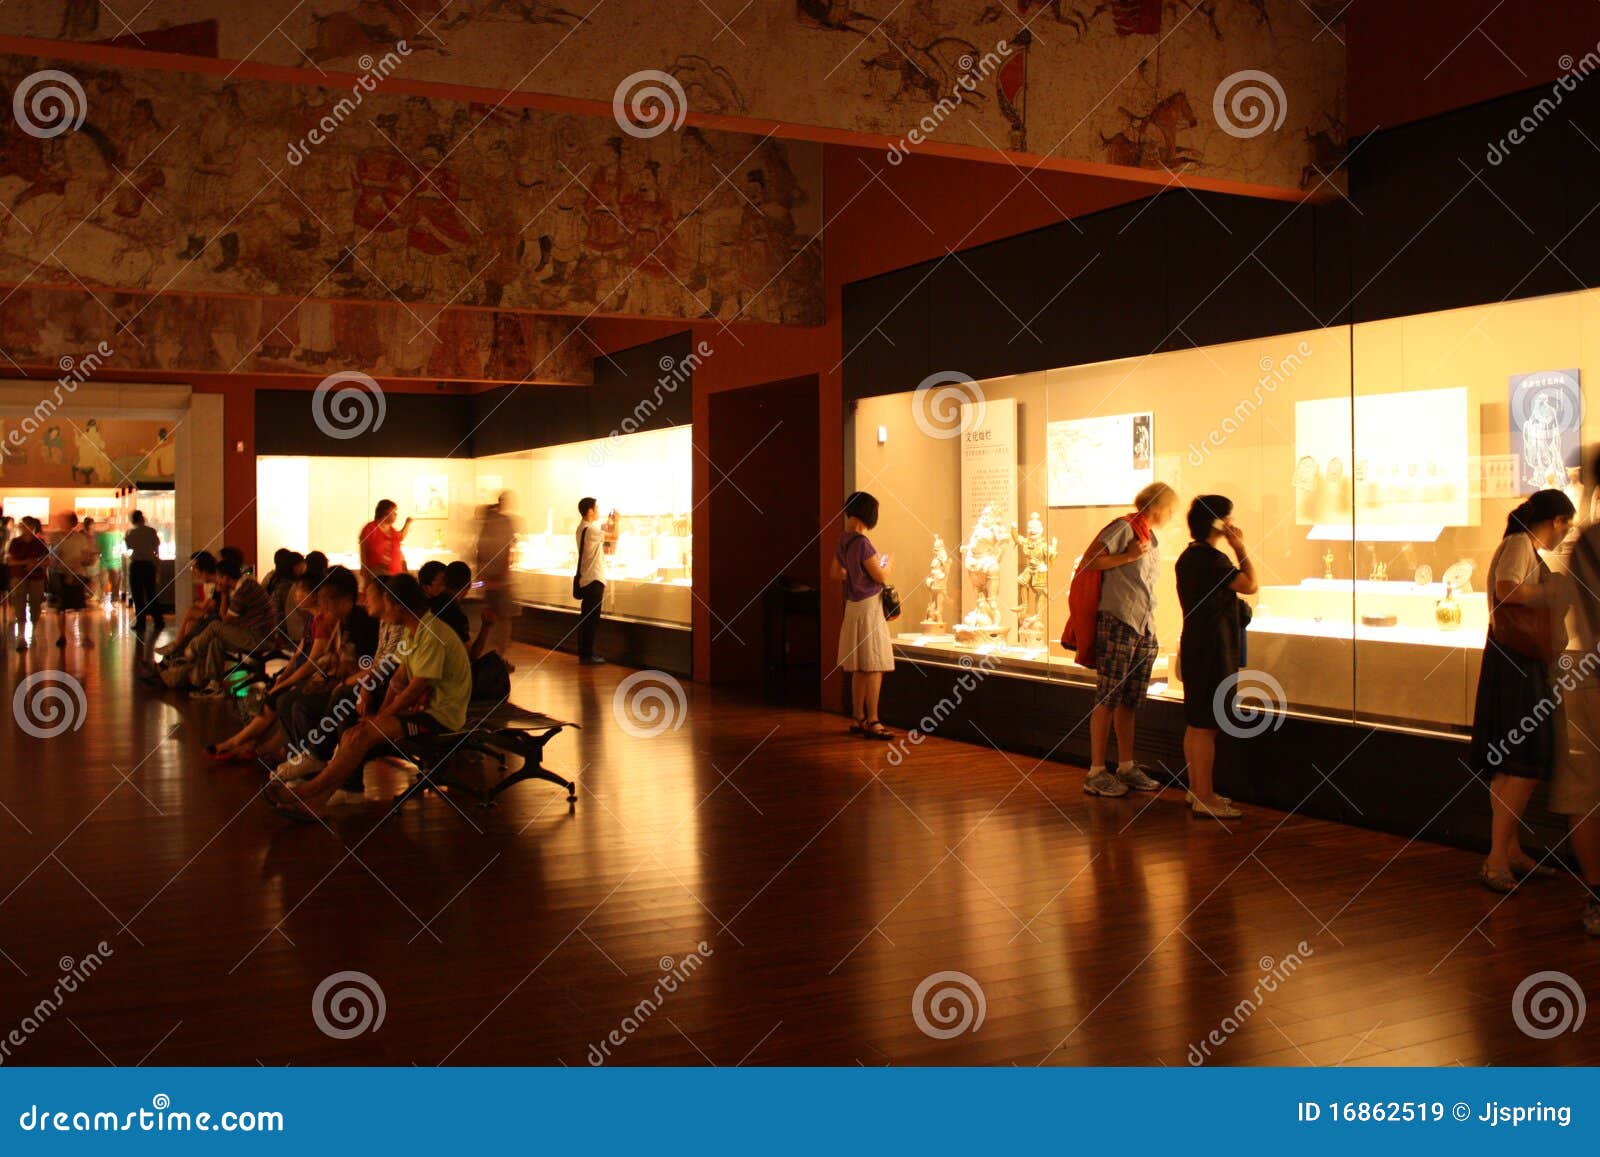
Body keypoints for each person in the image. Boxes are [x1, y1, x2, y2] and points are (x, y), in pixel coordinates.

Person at [267, 572, 472, 820]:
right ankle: (319, 800)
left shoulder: (431, 634)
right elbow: (398, 681)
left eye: (386, 603)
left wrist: (380, 717)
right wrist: (378, 715)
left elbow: (414, 689)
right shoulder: (413, 630)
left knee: (360, 734)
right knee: (353, 733)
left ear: (398, 606)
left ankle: (307, 791)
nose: (382, 609)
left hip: (439, 717)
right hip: (421, 710)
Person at [1470, 488, 1575, 893]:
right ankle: (1497, 857)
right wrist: (1554, 591)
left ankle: (1509, 851)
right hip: (1518, 661)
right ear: (1557, 522)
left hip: (1510, 658)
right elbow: (1507, 590)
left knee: (1510, 765)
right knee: (1524, 763)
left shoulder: (1517, 543)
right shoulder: (1519, 544)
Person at [1081, 481, 1179, 798]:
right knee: (1108, 695)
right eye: (1170, 509)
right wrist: (1126, 557)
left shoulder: (1151, 536)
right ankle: (1096, 770)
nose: (1171, 515)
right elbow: (1090, 561)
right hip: (1119, 620)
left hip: (1143, 624)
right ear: (1159, 507)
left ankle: (1125, 764)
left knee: (1130, 699)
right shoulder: (1124, 528)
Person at [1175, 495, 1258, 820]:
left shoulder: (1188, 557)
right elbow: (1250, 584)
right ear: (1217, 523)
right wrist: (1240, 547)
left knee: (1196, 724)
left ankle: (1196, 789)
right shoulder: (1213, 560)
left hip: (1195, 645)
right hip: (1213, 649)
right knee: (1208, 726)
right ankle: (1205, 796)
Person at [203, 575, 332, 763]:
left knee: (279, 699)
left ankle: (243, 744)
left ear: (315, 595)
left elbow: (311, 663)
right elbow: (298, 655)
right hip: (300, 673)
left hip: (311, 677)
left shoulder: (322, 622)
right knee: (276, 696)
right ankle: (253, 746)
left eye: (301, 591)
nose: (295, 595)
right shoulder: (311, 620)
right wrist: (284, 677)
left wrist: (285, 681)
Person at [834, 490, 895, 740]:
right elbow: (880, 575)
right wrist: (888, 563)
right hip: (869, 606)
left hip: (852, 606)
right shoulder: (862, 543)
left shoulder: (843, 540)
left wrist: (852, 574)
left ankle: (857, 717)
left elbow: (836, 573)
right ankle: (874, 719)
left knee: (858, 666)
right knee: (874, 665)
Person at [181, 556, 277, 698]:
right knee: (216, 641)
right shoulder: (245, 585)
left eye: (219, 577)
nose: (217, 581)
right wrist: (224, 594)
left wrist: (223, 595)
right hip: (254, 634)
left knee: (214, 626)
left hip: (260, 638)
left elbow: (224, 621)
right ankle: (214, 686)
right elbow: (226, 618)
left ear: (226, 577)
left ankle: (190, 651)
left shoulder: (244, 589)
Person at [477, 491, 520, 657]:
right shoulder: (503, 523)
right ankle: (499, 654)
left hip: (492, 581)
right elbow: (507, 550)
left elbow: (480, 552)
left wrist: (482, 577)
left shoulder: (488, 526)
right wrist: (501, 572)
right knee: (502, 618)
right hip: (498, 581)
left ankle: (496, 654)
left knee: (496, 616)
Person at [7, 517, 48, 652]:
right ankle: (21, 636)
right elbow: (10, 561)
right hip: (19, 577)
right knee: (19, 605)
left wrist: (36, 564)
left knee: (35, 605)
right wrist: (26, 563)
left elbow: (47, 561)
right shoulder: (15, 542)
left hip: (36, 578)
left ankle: (33, 629)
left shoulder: (40, 543)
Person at [124, 510, 164, 650]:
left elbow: (128, 547)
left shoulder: (130, 533)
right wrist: (157, 564)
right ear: (143, 518)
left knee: (137, 595)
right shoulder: (151, 531)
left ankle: (141, 622)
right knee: (151, 592)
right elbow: (156, 548)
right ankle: (158, 620)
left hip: (136, 565)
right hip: (149, 565)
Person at [574, 496, 607, 665]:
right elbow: (613, 537)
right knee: (591, 620)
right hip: (594, 578)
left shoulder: (581, 529)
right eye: (596, 508)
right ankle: (587, 655)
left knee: (586, 618)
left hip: (586, 579)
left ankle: (585, 653)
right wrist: (618, 521)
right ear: (589, 511)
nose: (598, 511)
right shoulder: (591, 530)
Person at [359, 500, 411, 579]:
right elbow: (363, 551)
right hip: (379, 576)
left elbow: (401, 537)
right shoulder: (370, 529)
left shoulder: (391, 530)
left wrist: (407, 523)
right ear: (386, 512)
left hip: (395, 574)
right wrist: (365, 573)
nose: (396, 515)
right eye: (394, 512)